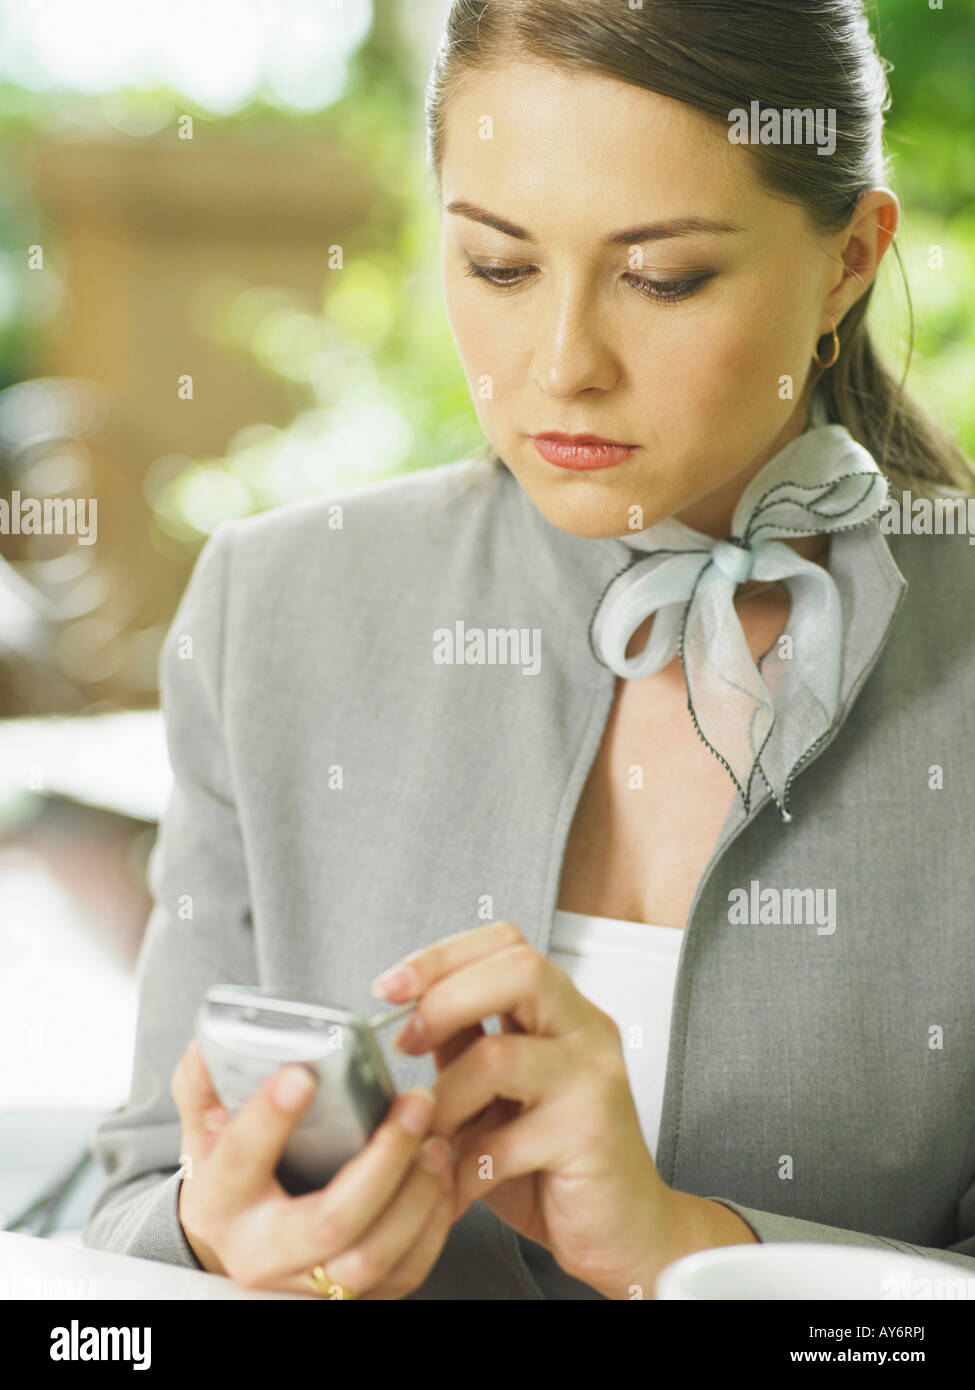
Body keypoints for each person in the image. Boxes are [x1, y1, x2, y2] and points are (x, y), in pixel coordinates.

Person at [83, 0, 975, 1299]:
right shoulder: (273, 609)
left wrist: (693, 1250)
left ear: (848, 259)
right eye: (500, 265)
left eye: (665, 276)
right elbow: (126, 1210)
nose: (561, 365)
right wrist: (222, 1239)